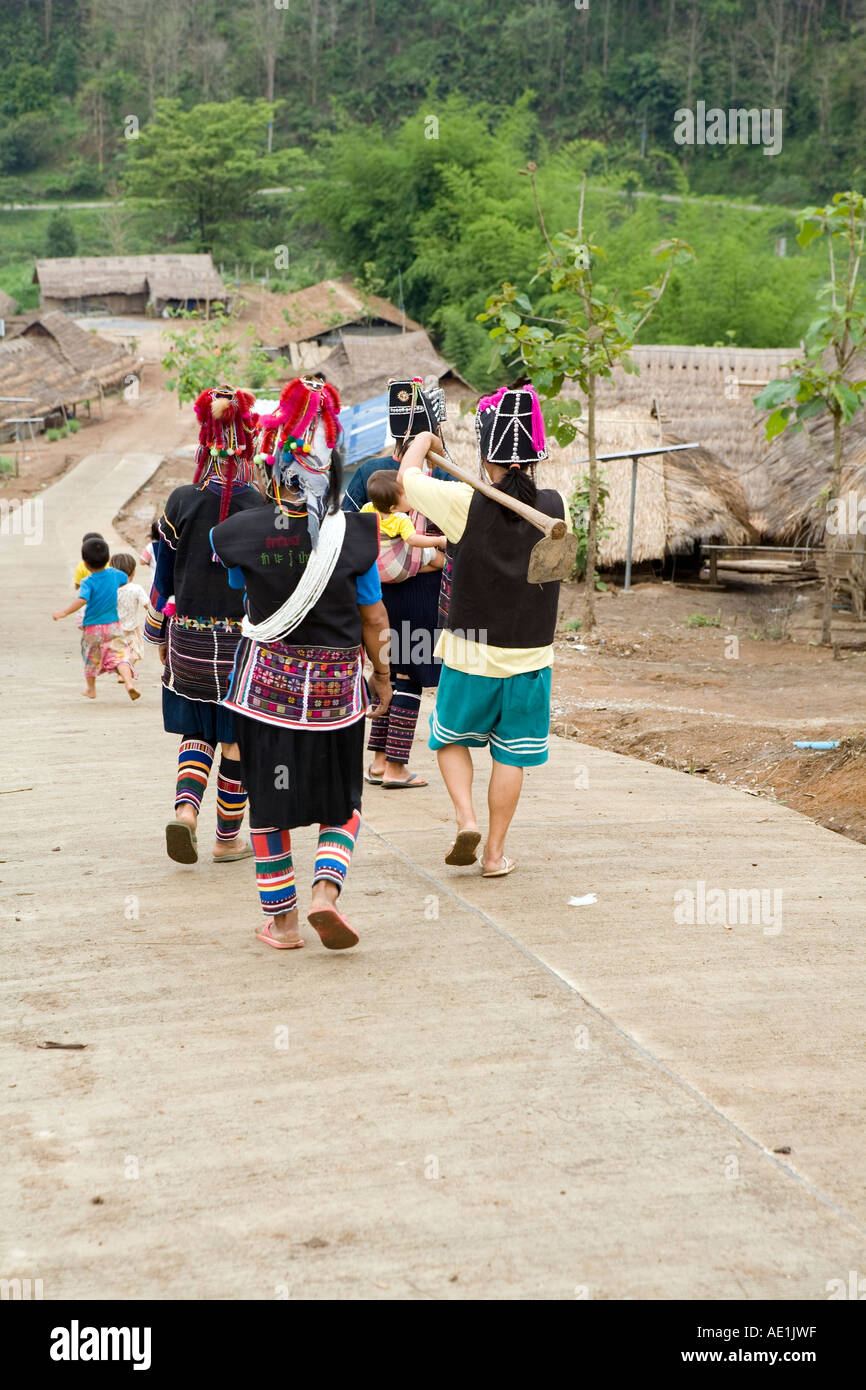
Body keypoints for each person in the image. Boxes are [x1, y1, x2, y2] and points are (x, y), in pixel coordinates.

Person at [212, 375, 392, 952]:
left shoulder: (238, 534)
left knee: (270, 801)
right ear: (331, 463)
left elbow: (245, 595)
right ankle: (325, 896)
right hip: (340, 696)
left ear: (272, 467)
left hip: (266, 692)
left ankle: (283, 924)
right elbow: (376, 622)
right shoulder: (358, 534)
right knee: (343, 801)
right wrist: (381, 678)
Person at [397, 386, 570, 877]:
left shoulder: (459, 502)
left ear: (486, 455)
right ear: (536, 456)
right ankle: (494, 854)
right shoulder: (558, 508)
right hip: (531, 659)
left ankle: (465, 819)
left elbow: (405, 482)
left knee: (450, 738)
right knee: (510, 757)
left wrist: (424, 438)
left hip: (470, 654)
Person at [145, 385, 264, 867]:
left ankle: (186, 814)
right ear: (247, 444)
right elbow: (271, 583)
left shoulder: (179, 501)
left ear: (205, 444)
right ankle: (226, 838)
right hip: (242, 641)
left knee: (195, 731)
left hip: (189, 638)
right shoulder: (260, 506)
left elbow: (162, 576)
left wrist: (156, 631)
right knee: (235, 737)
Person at [342, 381, 450, 790]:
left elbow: (346, 530)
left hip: (374, 593)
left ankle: (379, 761)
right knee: (411, 677)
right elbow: (453, 538)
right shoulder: (438, 480)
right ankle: (397, 767)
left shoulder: (369, 472)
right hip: (420, 592)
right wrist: (434, 559)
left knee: (385, 670)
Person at [53, 535, 140, 701]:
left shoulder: (88, 581)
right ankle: (129, 682)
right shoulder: (115, 575)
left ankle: (91, 689)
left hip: (93, 628)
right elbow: (126, 580)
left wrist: (64, 612)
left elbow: (82, 599)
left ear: (85, 562)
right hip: (113, 626)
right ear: (108, 558)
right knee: (120, 655)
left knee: (91, 657)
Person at [361, 471, 446, 572]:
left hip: (375, 566)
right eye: (407, 496)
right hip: (396, 568)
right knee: (432, 554)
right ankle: (448, 566)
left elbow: (359, 525)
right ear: (392, 508)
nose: (411, 496)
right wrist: (439, 540)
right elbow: (413, 540)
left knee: (413, 560)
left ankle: (411, 569)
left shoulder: (368, 507)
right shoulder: (401, 519)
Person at [110, 553, 149, 671]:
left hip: (114, 628)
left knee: (118, 652)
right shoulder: (136, 588)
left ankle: (121, 672)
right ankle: (129, 665)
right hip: (132, 629)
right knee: (136, 651)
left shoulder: (110, 589)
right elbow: (147, 605)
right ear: (133, 572)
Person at [140, 522, 160, 595]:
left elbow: (142, 561)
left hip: (155, 577)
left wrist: (150, 563)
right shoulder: (170, 545)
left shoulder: (151, 547)